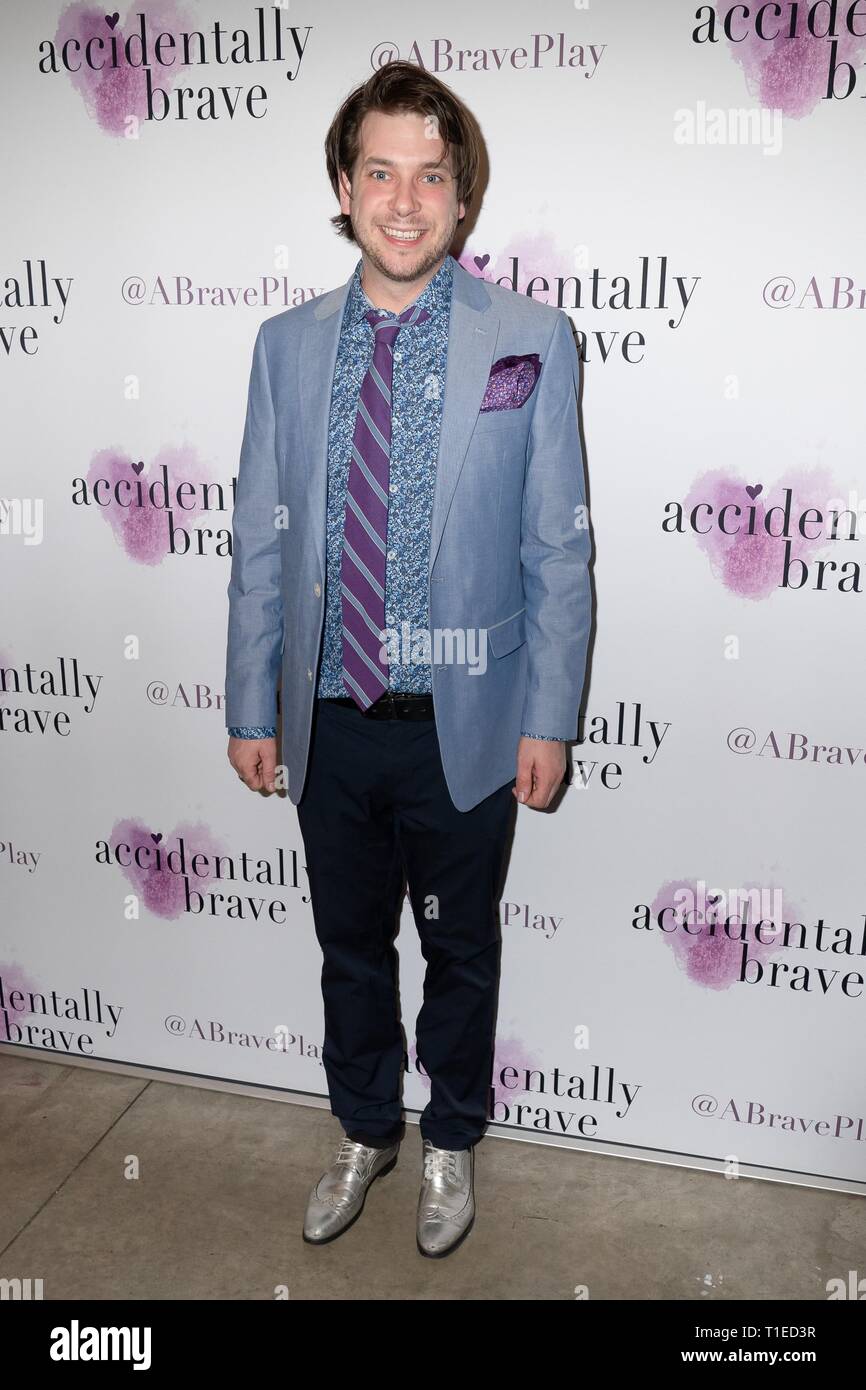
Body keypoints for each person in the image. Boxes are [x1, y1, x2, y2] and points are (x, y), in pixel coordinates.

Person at [224, 60, 592, 1258]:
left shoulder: (529, 339)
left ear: (461, 197)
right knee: (347, 947)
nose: (403, 199)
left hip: (464, 723)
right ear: (344, 186)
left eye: (430, 176)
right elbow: (259, 539)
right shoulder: (284, 346)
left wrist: (549, 717)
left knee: (460, 950)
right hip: (328, 717)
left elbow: (555, 546)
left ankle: (450, 1142)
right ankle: (363, 1127)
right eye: (379, 172)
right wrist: (250, 703)